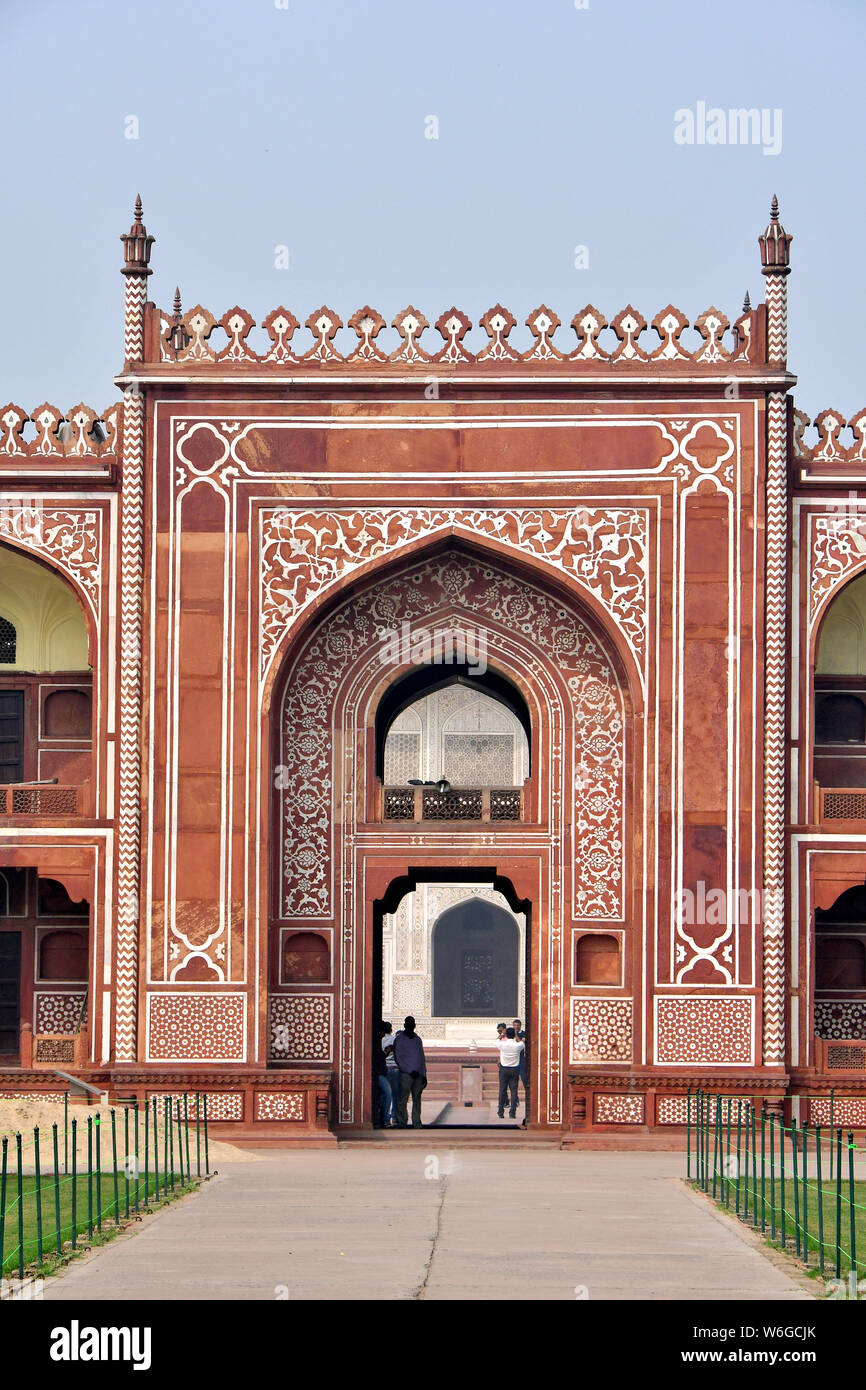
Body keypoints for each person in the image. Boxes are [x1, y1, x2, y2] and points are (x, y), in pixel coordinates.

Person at [393, 1015, 427, 1128]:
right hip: (406, 1074)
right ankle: (402, 1121)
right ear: (405, 1026)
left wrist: (424, 1074)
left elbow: (421, 1057)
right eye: (408, 1024)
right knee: (403, 1098)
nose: (410, 1026)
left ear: (414, 1026)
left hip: (418, 1074)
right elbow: (398, 1058)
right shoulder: (399, 1040)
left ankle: (416, 1122)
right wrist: (408, 1070)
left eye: (412, 1024)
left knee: (417, 1099)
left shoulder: (417, 1039)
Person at [496, 1026, 524, 1120]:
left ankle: (500, 1111)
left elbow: (497, 1041)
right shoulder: (518, 1045)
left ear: (506, 1035)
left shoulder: (502, 1044)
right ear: (514, 1035)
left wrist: (502, 1035)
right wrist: (516, 1035)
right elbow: (521, 1043)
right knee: (513, 1091)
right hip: (514, 1070)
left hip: (504, 1069)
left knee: (502, 1090)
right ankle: (512, 1112)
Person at [381, 1020, 401, 1124]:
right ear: (391, 1030)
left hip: (384, 1069)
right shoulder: (395, 1040)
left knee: (385, 1094)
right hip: (395, 1069)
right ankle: (394, 1116)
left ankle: (385, 1117)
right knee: (395, 1094)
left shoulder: (380, 1040)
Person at [374, 1020, 393, 1128]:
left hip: (380, 1072)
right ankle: (385, 1119)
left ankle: (380, 1119)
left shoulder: (377, 1042)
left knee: (381, 1096)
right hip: (378, 1074)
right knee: (387, 1094)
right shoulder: (375, 1042)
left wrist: (386, 1053)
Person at [513, 1018, 528, 1126]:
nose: (516, 1027)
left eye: (517, 1025)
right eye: (515, 1025)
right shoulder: (509, 1034)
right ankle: (515, 1100)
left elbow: (521, 1043)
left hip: (521, 1060)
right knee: (513, 1083)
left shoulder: (523, 1033)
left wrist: (515, 1035)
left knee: (524, 1080)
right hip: (512, 1060)